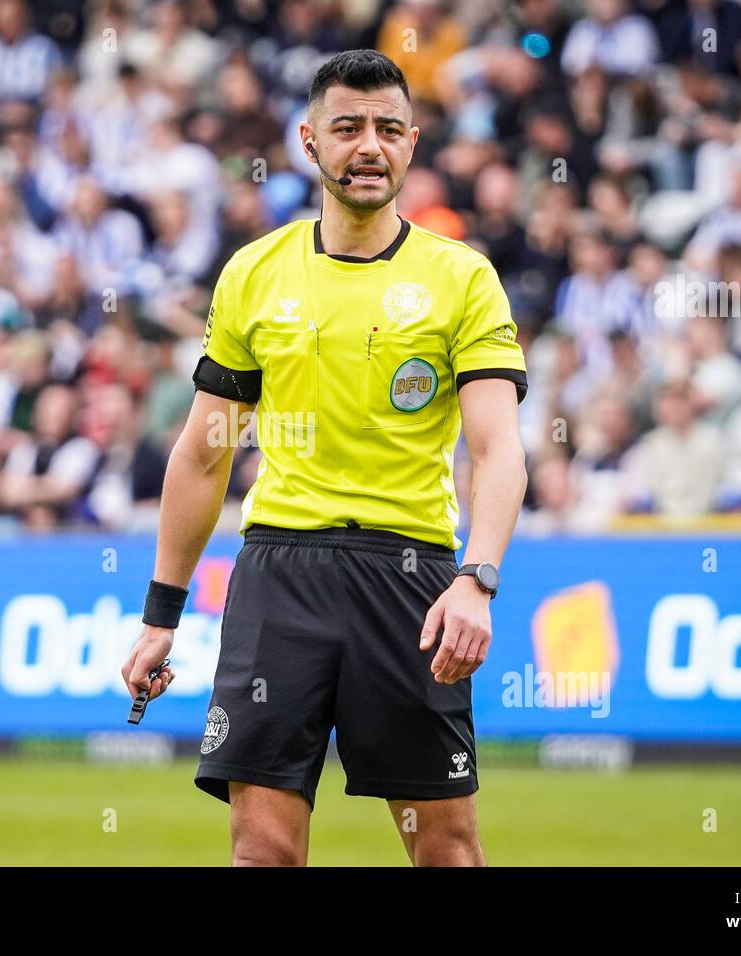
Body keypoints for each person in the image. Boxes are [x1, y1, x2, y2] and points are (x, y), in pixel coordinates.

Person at [121, 51, 528, 867]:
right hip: (280, 575)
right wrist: (161, 613)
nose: (367, 146)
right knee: (262, 853)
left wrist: (476, 579)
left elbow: (498, 447)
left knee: (447, 853)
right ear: (309, 142)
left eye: (386, 128)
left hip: (412, 582)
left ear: (412, 142)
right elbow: (204, 456)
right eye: (347, 128)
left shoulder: (463, 278)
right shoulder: (253, 273)